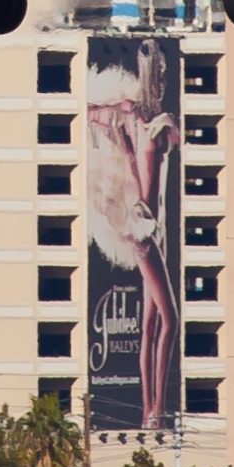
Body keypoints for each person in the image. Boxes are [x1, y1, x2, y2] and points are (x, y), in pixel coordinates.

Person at [85, 40, 181, 429]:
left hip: (151, 229)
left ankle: (149, 412)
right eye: (156, 76)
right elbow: (144, 191)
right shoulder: (147, 129)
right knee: (168, 319)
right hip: (145, 230)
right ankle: (155, 412)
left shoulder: (146, 126)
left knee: (150, 325)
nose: (158, 83)